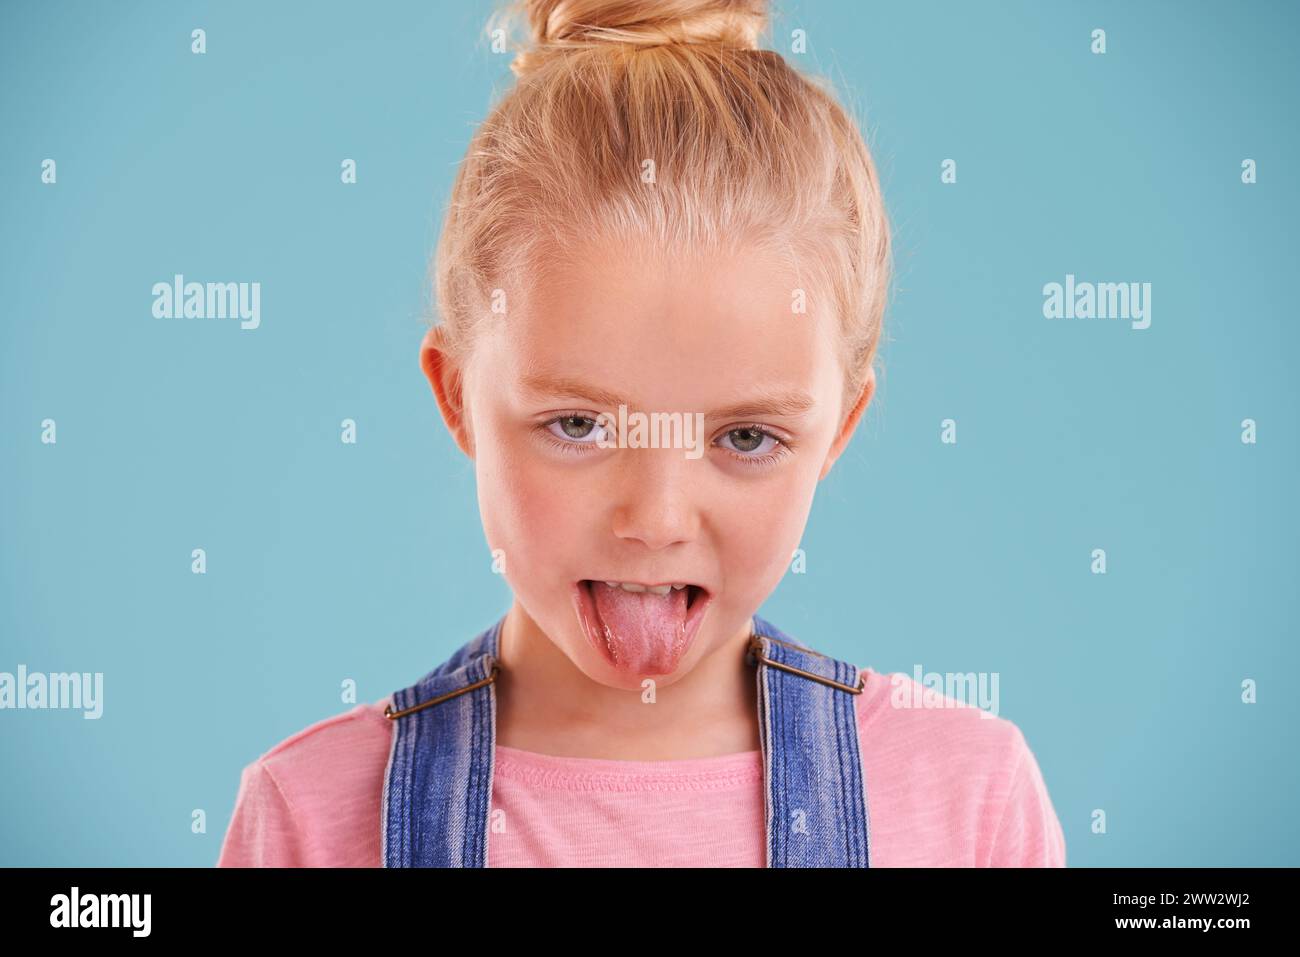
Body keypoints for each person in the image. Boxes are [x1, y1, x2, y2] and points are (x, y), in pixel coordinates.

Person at [218, 0, 1066, 868]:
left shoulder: (969, 803)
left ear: (838, 428)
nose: (656, 519)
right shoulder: (311, 817)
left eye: (745, 439)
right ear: (460, 396)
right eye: (579, 425)